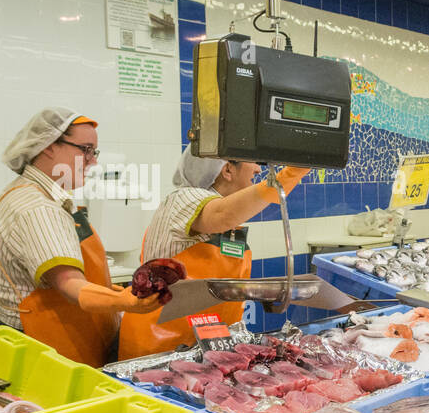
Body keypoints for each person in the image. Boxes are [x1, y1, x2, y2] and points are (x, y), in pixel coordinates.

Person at [0, 108, 160, 367]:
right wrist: (124, 301)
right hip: (41, 346)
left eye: (94, 152)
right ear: (48, 147)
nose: (93, 162)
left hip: (57, 337)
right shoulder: (38, 207)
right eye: (85, 149)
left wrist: (113, 293)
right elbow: (68, 283)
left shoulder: (42, 195)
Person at [117, 146, 311, 359]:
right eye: (252, 161)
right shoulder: (183, 198)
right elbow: (224, 213)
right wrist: (292, 172)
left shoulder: (220, 215)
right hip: (159, 348)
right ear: (227, 170)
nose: (257, 169)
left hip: (200, 347)